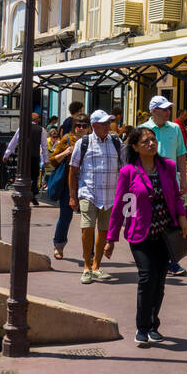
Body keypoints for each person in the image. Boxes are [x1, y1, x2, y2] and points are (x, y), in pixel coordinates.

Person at [105, 125, 187, 346]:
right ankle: (142, 328)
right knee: (146, 277)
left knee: (159, 281)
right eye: (145, 141)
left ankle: (153, 325)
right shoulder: (128, 172)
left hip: (165, 233)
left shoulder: (168, 167)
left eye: (153, 140)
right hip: (140, 234)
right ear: (135, 147)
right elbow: (120, 204)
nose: (151, 143)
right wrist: (111, 238)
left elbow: (176, 196)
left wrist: (182, 217)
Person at [70, 110, 123, 281]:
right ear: (94, 125)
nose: (108, 126)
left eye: (108, 122)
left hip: (110, 194)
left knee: (103, 230)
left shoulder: (116, 141)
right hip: (88, 192)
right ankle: (86, 266)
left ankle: (96, 266)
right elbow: (73, 170)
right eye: (104, 123)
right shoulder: (83, 143)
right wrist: (72, 195)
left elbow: (124, 167)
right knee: (87, 228)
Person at [140, 96, 187, 276]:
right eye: (164, 109)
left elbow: (181, 154)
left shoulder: (175, 128)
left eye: (169, 109)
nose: (168, 112)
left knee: (173, 223)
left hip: (170, 184)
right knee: (151, 222)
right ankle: (153, 260)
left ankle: (173, 261)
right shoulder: (142, 130)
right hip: (148, 184)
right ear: (154, 111)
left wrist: (183, 179)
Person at [47, 115, 89, 259]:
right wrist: (66, 152)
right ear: (74, 126)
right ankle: (58, 245)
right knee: (65, 216)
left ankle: (89, 251)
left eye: (84, 125)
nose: (81, 128)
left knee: (89, 219)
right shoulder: (67, 139)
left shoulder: (93, 141)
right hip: (69, 185)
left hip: (88, 185)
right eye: (78, 125)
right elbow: (52, 160)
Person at [4, 111, 48, 205]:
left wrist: (7, 154)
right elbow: (44, 146)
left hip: (23, 157)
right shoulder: (41, 130)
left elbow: (13, 142)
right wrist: (46, 160)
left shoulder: (22, 128)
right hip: (35, 156)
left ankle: (24, 193)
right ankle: (32, 194)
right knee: (34, 176)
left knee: (23, 175)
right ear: (36, 120)